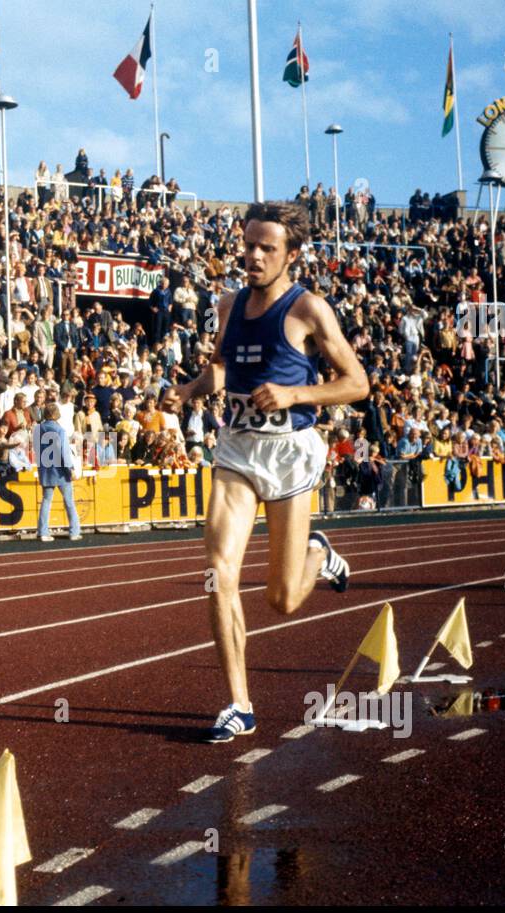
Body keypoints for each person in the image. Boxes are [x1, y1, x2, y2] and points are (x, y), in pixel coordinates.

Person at [162, 200, 369, 743]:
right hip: (236, 449)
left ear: (291, 255)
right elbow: (221, 369)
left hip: (289, 451)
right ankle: (239, 704)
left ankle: (318, 553)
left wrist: (295, 393)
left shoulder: (310, 310)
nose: (252, 255)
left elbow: (356, 384)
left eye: (266, 248)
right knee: (218, 569)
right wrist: (189, 390)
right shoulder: (228, 306)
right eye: (248, 244)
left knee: (281, 599)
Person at [32, 403, 82, 542]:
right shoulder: (60, 430)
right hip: (60, 471)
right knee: (69, 501)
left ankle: (42, 531)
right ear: (55, 414)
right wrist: (70, 469)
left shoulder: (38, 429)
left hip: (45, 469)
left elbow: (36, 449)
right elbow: (64, 453)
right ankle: (74, 531)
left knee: (46, 501)